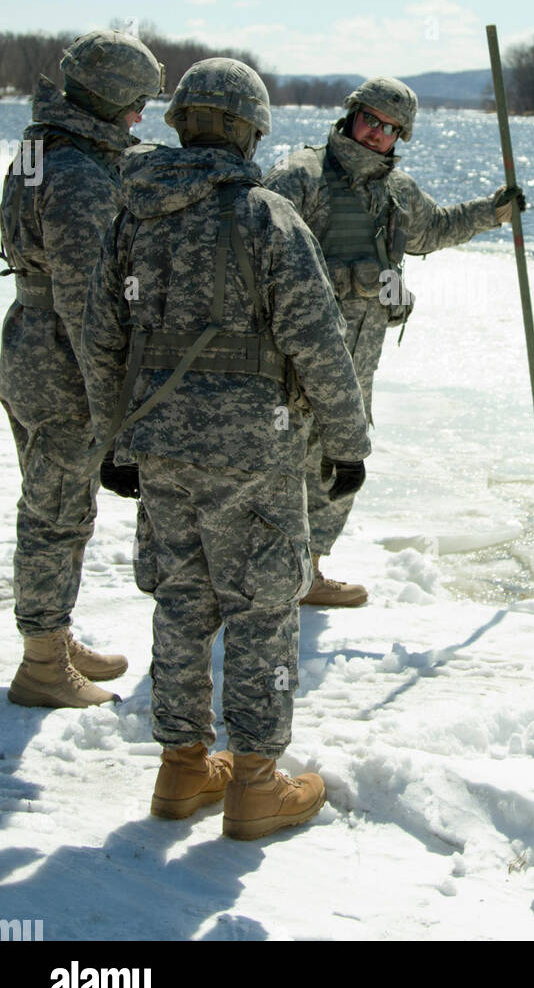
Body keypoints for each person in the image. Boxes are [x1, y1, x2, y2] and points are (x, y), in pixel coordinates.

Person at [81, 58, 370, 839]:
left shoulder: (132, 216)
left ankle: (180, 769)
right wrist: (346, 444)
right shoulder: (267, 217)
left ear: (182, 123)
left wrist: (117, 440)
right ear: (249, 129)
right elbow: (320, 342)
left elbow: (102, 338)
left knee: (180, 600)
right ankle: (253, 782)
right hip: (257, 450)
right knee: (261, 608)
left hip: (162, 442)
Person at [264, 76, 524, 607]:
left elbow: (434, 228)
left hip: (358, 362)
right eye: (370, 120)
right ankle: (266, 574)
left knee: (340, 462)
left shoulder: (396, 192)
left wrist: (494, 211)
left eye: (390, 128)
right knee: (280, 461)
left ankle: (308, 572)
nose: (377, 133)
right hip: (291, 360)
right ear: (351, 114)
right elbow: (256, 252)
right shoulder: (300, 176)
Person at [1, 29, 163, 709]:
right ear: (106, 97)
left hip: (29, 342)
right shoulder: (76, 175)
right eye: (134, 104)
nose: (139, 118)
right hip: (63, 359)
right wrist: (115, 412)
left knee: (56, 499)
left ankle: (53, 634)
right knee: (57, 509)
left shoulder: (43, 146)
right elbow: (88, 307)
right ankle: (41, 662)